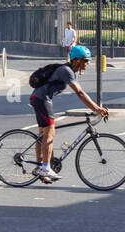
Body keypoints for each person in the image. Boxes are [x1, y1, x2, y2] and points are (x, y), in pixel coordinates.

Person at [29, 45, 108, 182]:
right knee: (50, 133)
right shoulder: (67, 71)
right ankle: (45, 168)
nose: (88, 63)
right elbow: (80, 92)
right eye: (86, 60)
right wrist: (96, 108)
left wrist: (94, 108)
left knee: (42, 134)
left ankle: (41, 168)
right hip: (41, 99)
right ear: (76, 60)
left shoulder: (70, 71)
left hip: (39, 98)